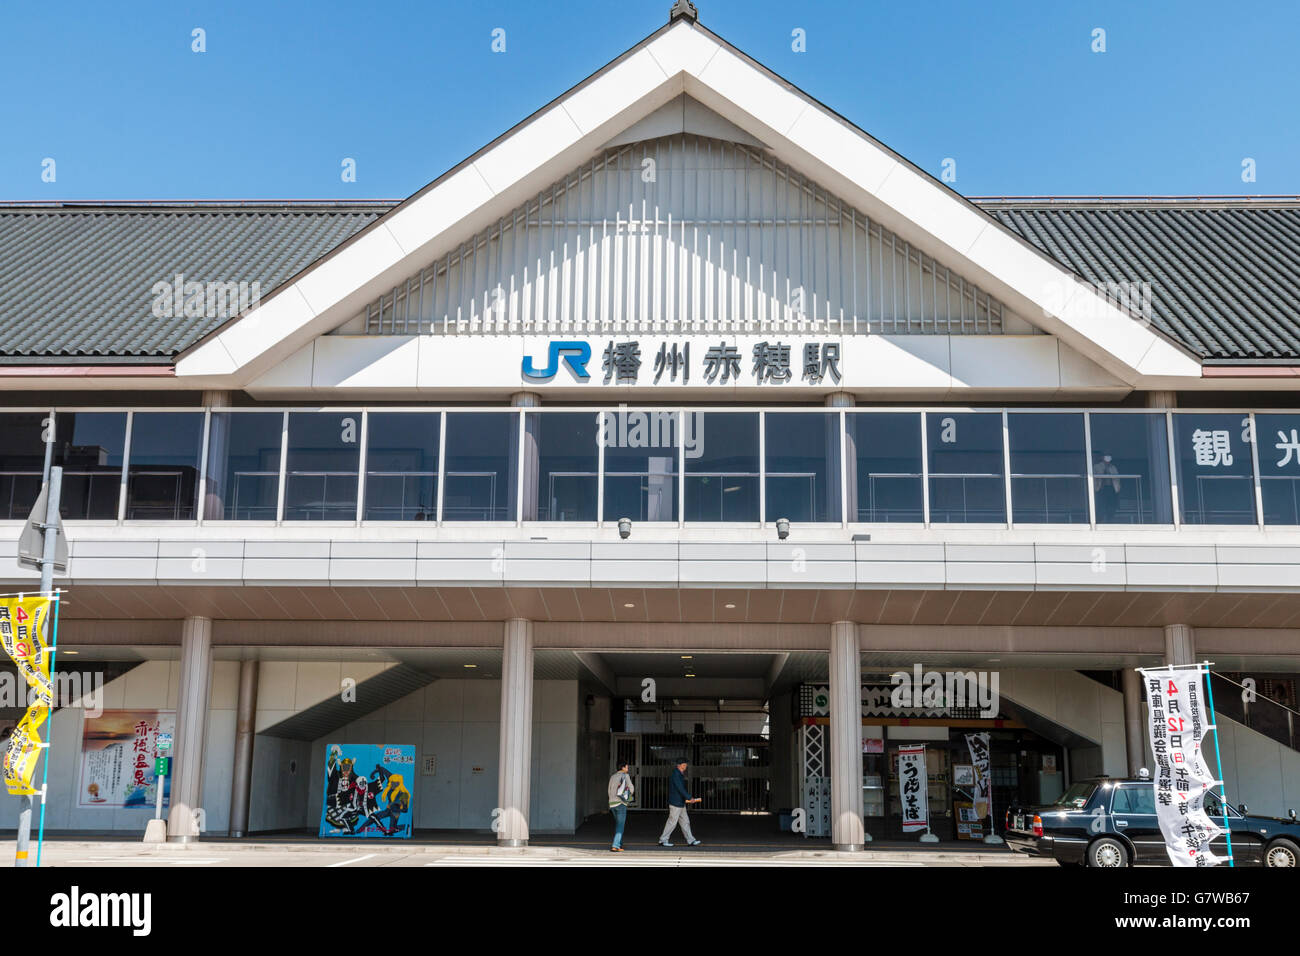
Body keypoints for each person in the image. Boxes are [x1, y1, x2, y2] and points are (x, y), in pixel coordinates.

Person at [658, 759, 702, 847]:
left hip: (680, 802)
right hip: (676, 803)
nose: (685, 766)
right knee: (672, 822)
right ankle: (663, 840)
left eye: (686, 764)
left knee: (685, 821)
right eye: (684, 764)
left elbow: (681, 789)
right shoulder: (676, 775)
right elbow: (680, 788)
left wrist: (687, 798)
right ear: (678, 765)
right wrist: (690, 797)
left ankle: (691, 840)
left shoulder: (679, 774)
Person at [607, 760, 635, 852]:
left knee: (618, 824)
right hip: (621, 803)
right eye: (627, 767)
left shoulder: (613, 776)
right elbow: (631, 788)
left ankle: (619, 844)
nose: (627, 769)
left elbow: (609, 790)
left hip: (612, 804)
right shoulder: (625, 776)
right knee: (620, 826)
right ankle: (615, 845)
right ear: (623, 768)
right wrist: (627, 797)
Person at [1093, 451, 1121, 523]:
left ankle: (1110, 520)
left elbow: (1117, 478)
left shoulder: (1113, 467)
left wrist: (1118, 488)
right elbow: (1094, 477)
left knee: (1111, 506)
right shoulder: (1097, 466)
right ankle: (1100, 521)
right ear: (1102, 458)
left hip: (1111, 489)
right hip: (1101, 489)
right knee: (1101, 505)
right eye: (1106, 456)